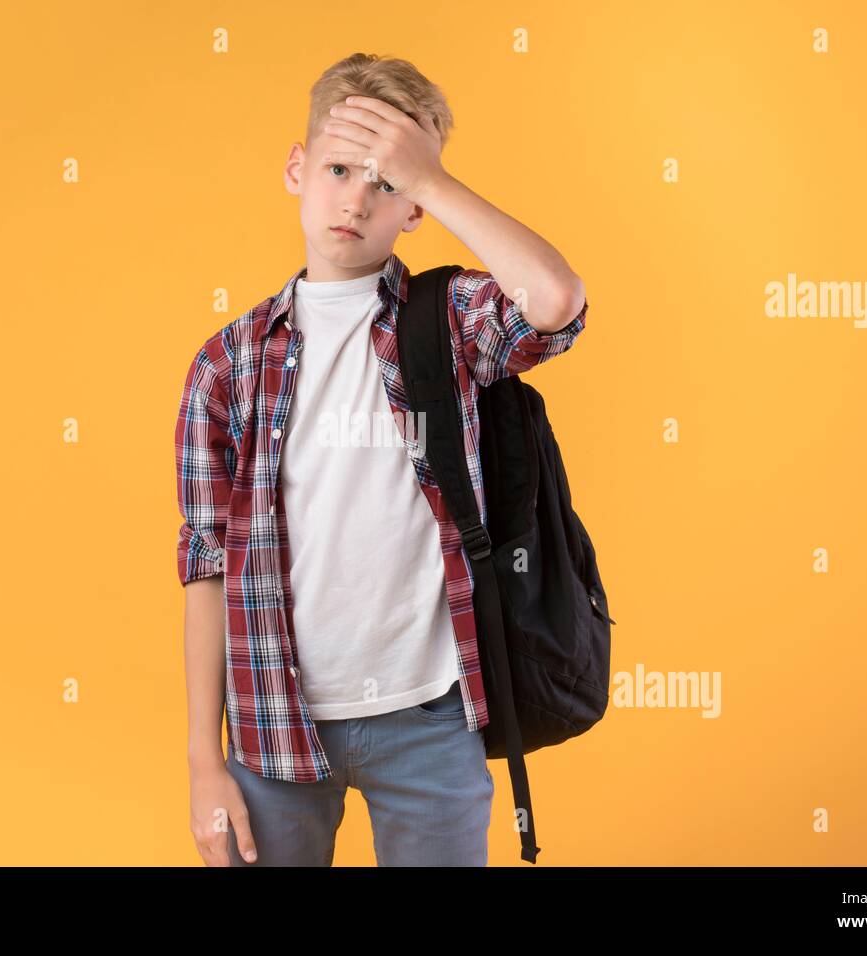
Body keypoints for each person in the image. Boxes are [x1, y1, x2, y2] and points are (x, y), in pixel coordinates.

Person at [176, 52, 588, 866]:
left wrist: (431, 178)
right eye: (339, 169)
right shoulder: (228, 366)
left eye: (387, 182)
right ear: (297, 170)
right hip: (273, 724)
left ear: (414, 209)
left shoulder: (449, 322)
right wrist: (201, 761)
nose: (357, 198)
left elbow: (555, 303)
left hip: (431, 718)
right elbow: (205, 562)